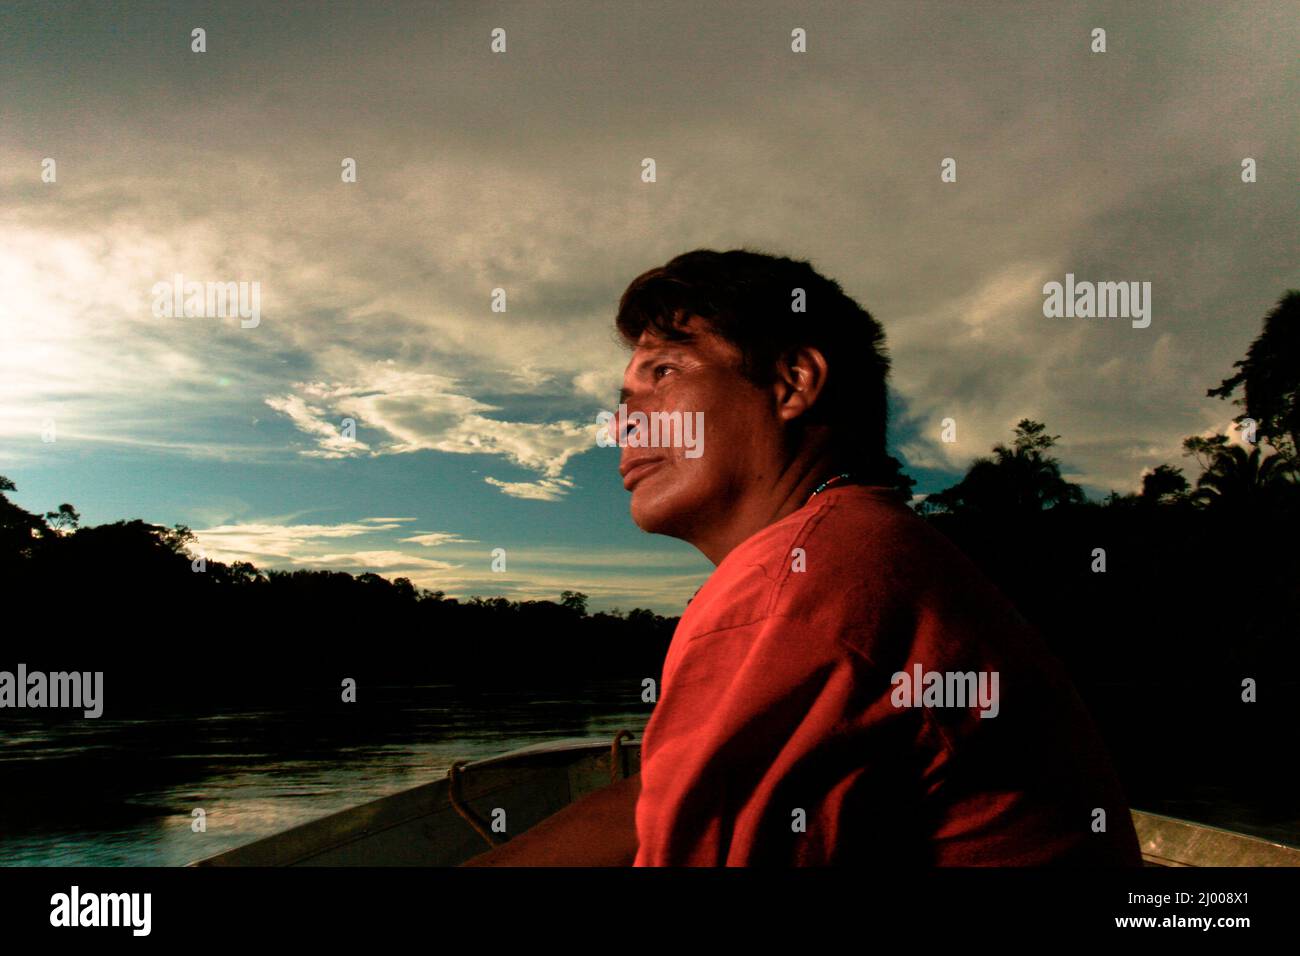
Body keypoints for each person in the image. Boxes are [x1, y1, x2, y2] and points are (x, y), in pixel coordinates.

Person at [464, 248, 1142, 867]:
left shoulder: (798, 584)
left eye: (663, 373)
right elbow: (653, 803)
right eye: (623, 402)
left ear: (791, 383)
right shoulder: (858, 544)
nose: (623, 423)